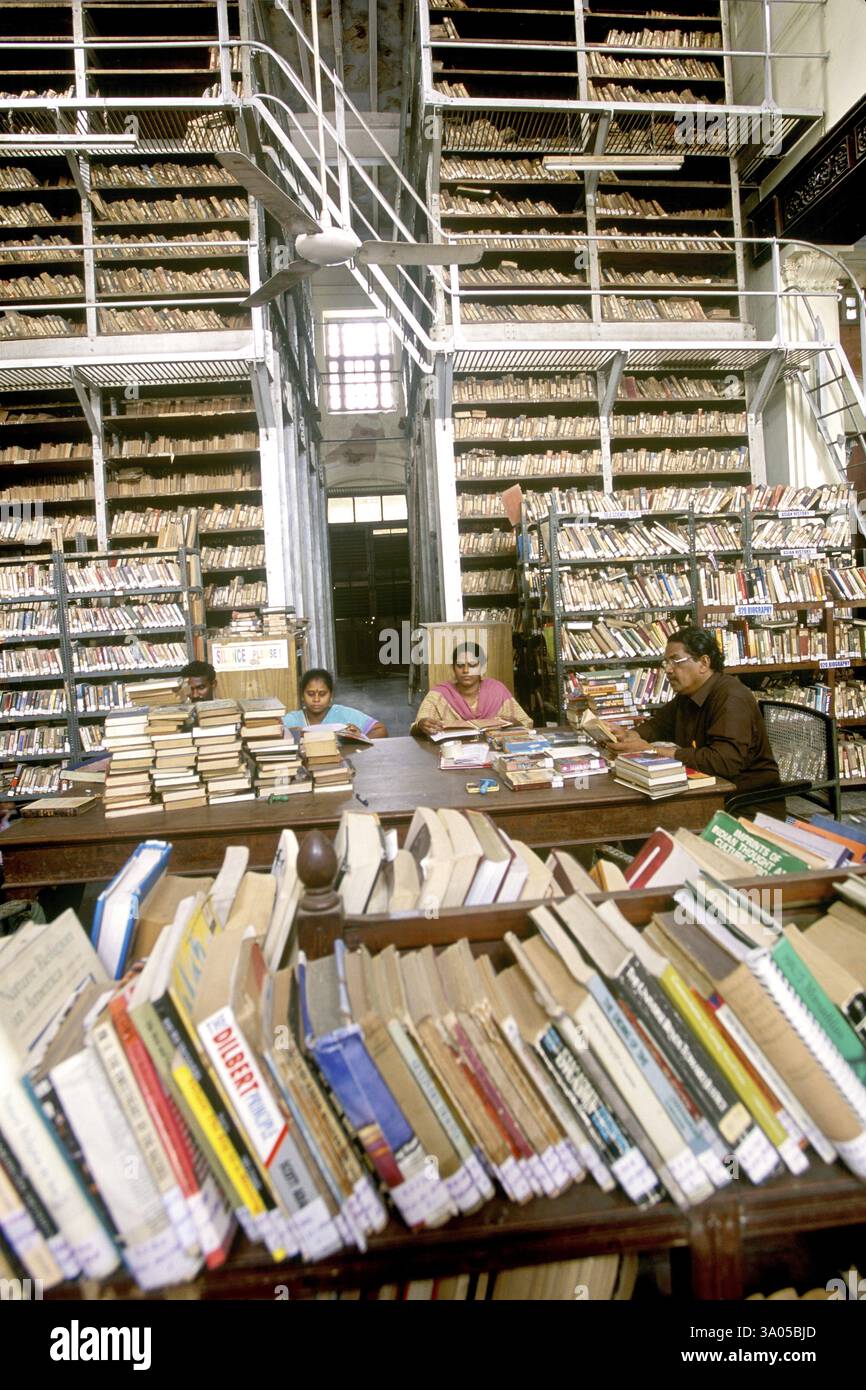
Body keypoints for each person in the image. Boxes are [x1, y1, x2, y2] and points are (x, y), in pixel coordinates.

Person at [609, 626, 783, 812]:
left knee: (642, 816)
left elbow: (723, 762)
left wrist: (652, 750)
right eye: (666, 663)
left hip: (743, 804)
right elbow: (658, 726)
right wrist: (628, 735)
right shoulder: (688, 694)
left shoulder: (731, 697)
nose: (668, 670)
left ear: (703, 663)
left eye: (676, 661)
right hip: (707, 793)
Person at [413, 642, 532, 736]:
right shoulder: (438, 695)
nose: (466, 670)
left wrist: (516, 724)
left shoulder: (497, 690)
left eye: (473, 665)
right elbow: (416, 728)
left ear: (482, 667)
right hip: (451, 753)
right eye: (460, 666)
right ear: (453, 668)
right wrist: (422, 725)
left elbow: (526, 723)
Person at [283, 668, 387, 739]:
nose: (316, 699)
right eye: (310, 694)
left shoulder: (342, 714)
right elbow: (271, 734)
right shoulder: (293, 719)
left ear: (331, 696)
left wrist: (361, 738)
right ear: (302, 696)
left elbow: (381, 730)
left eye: (322, 694)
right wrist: (289, 734)